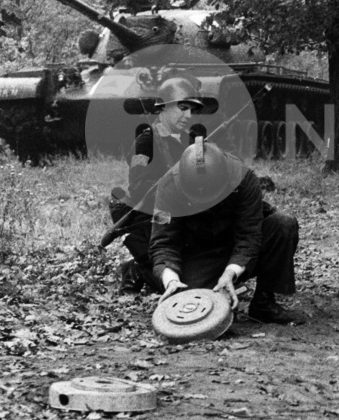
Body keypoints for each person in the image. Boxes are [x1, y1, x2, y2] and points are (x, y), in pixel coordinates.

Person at [150, 139, 303, 325]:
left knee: (283, 224)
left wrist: (230, 273)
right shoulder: (167, 186)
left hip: (237, 246)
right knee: (191, 299)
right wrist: (171, 280)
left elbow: (249, 236)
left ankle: (264, 302)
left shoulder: (244, 178)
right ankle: (138, 271)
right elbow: (163, 242)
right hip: (199, 252)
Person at [112, 76, 204, 294]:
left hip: (190, 216)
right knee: (182, 284)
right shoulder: (146, 142)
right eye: (182, 108)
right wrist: (177, 188)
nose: (188, 116)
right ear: (163, 107)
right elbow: (139, 187)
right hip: (158, 217)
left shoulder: (195, 142)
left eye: (191, 110)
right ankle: (138, 269)